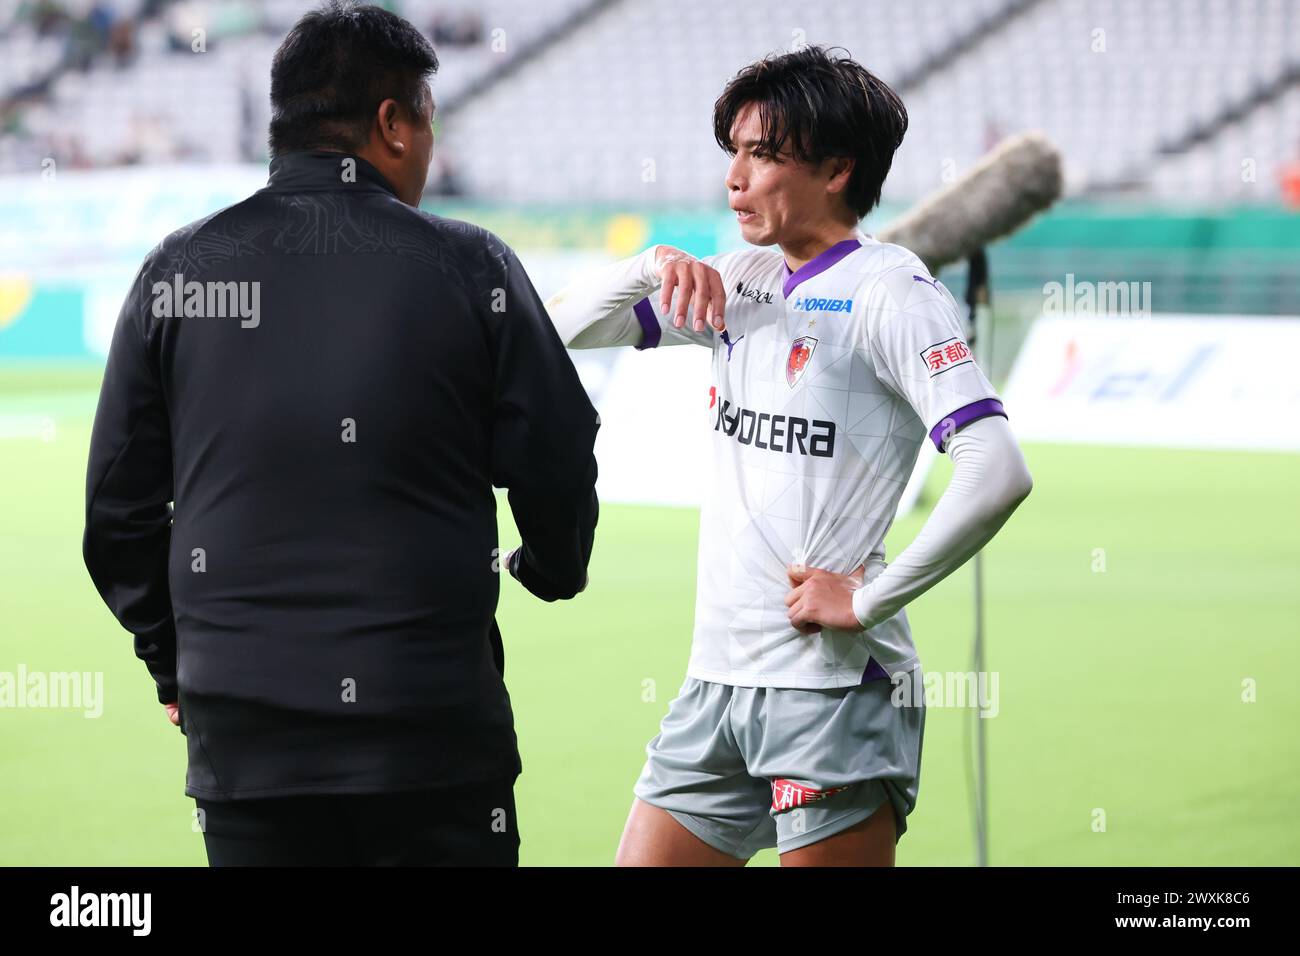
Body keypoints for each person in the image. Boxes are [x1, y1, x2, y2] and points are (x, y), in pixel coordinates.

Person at [82, 0, 599, 866]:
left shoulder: (178, 271)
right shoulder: (472, 265)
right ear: (392, 125)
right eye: (428, 120)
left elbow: (116, 516)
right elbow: (556, 455)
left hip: (248, 748)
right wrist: (551, 567)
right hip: (431, 738)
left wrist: (175, 663)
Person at [546, 46, 1033, 866]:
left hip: (831, 692)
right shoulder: (737, 279)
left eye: (763, 154)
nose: (736, 176)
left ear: (838, 168)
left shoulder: (894, 293)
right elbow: (549, 338)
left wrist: (871, 596)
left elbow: (998, 467)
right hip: (714, 686)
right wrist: (645, 266)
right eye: (732, 151)